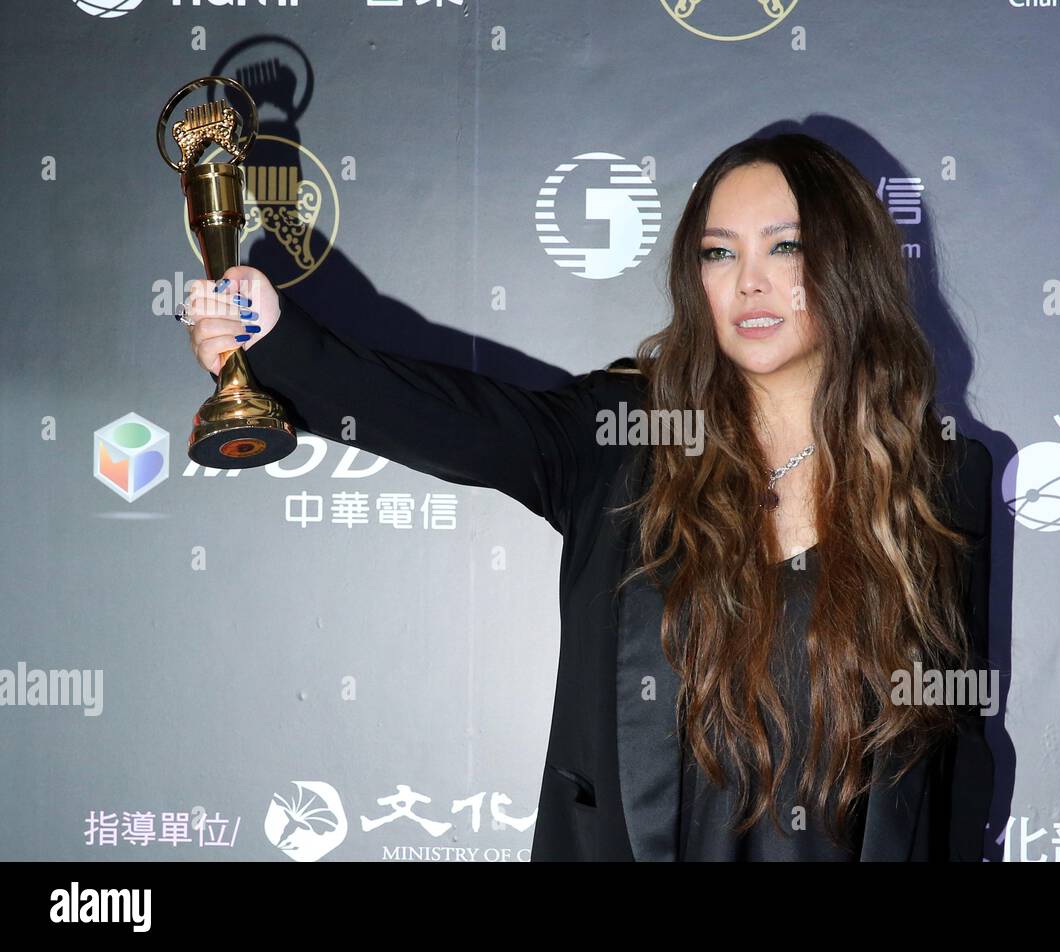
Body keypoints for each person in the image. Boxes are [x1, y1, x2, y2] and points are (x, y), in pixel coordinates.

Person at [180, 132, 995, 861]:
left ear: (848, 265)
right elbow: (457, 420)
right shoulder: (623, 441)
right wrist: (278, 343)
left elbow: (951, 752)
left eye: (785, 248)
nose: (750, 282)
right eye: (718, 253)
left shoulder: (942, 481)